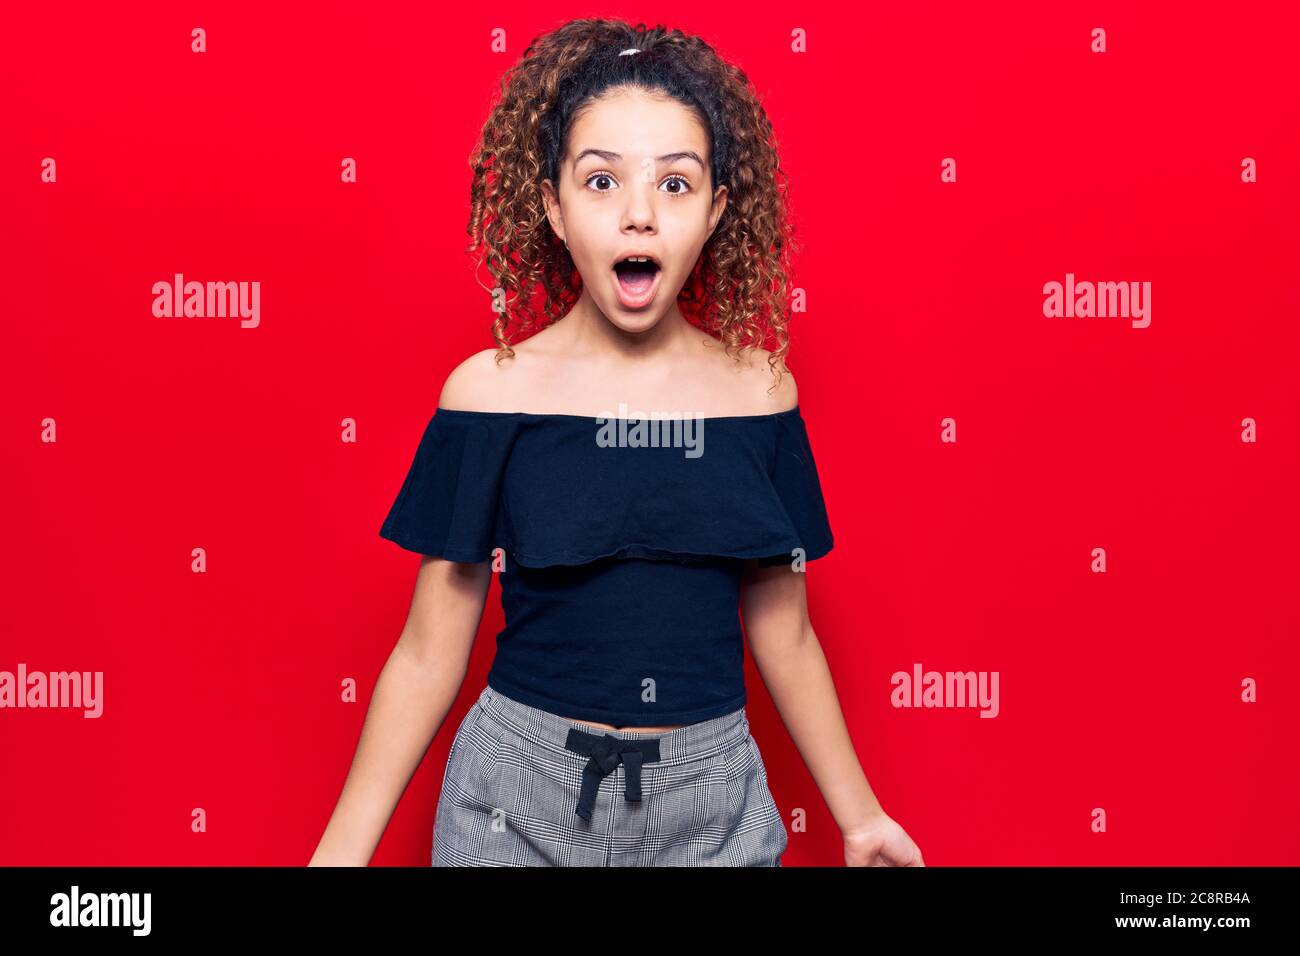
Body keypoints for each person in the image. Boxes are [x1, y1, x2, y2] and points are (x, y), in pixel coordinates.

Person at [310, 17, 923, 868]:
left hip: (712, 805)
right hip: (512, 798)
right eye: (601, 182)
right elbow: (425, 654)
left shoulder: (759, 397)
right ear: (554, 209)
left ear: (714, 214)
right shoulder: (489, 394)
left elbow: (786, 636)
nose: (638, 215)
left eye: (675, 186)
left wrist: (860, 819)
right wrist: (337, 857)